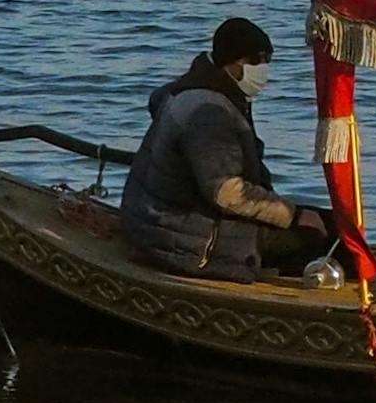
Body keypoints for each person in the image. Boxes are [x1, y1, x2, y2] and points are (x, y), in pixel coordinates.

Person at [117, 17, 335, 281]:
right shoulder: (208, 113)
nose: (263, 71)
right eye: (256, 62)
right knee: (320, 233)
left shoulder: (188, 90)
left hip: (163, 221)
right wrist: (293, 215)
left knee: (328, 222)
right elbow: (226, 192)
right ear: (234, 62)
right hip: (189, 239)